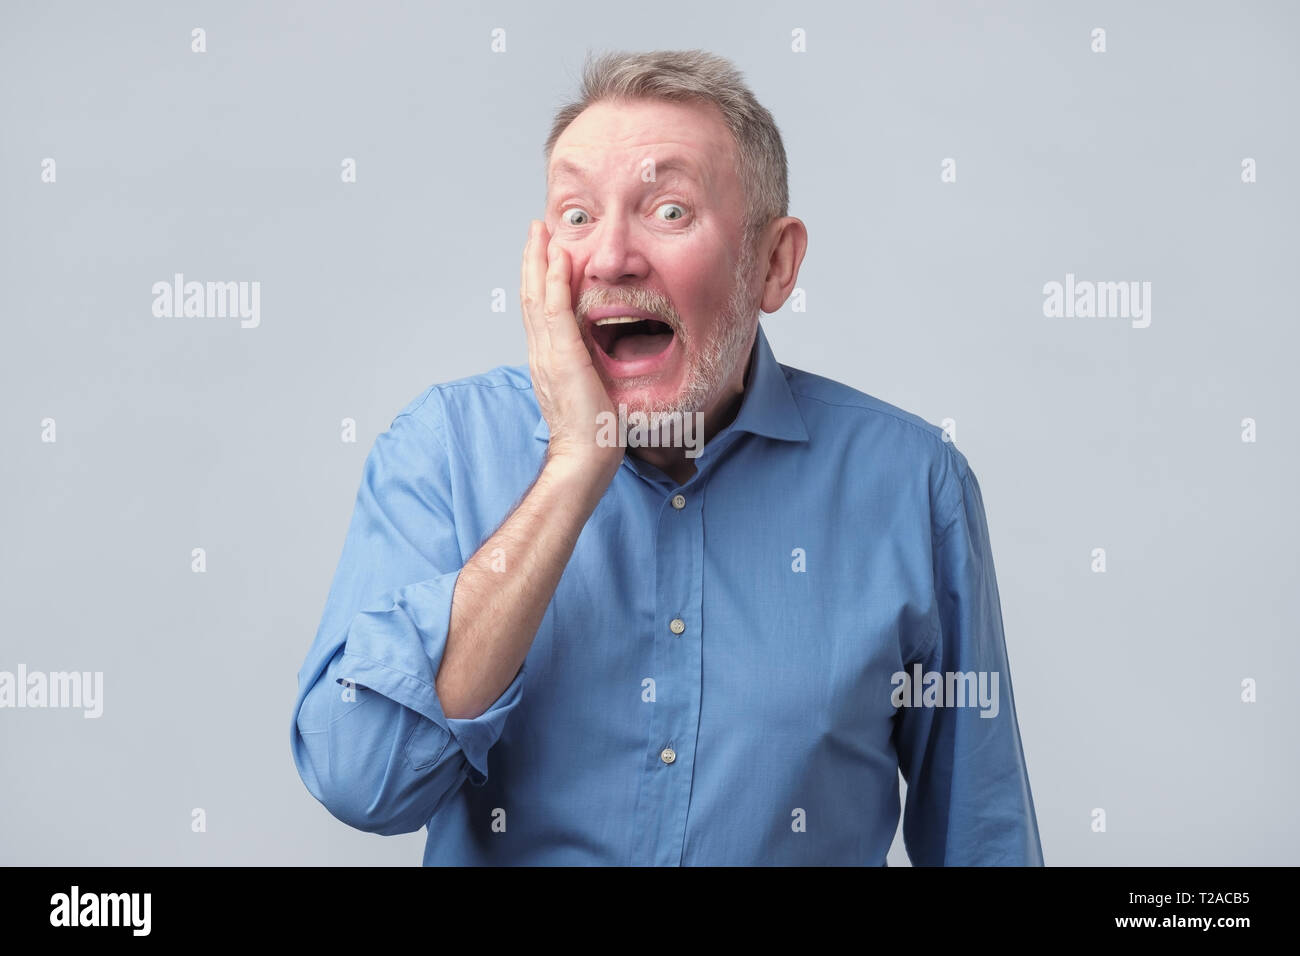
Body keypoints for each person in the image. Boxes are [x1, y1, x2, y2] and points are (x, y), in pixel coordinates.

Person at [290, 48, 1044, 866]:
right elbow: (361, 781)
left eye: (670, 211)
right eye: (576, 216)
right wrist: (577, 465)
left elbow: (983, 839)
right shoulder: (441, 452)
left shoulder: (913, 485)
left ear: (773, 263)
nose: (611, 258)